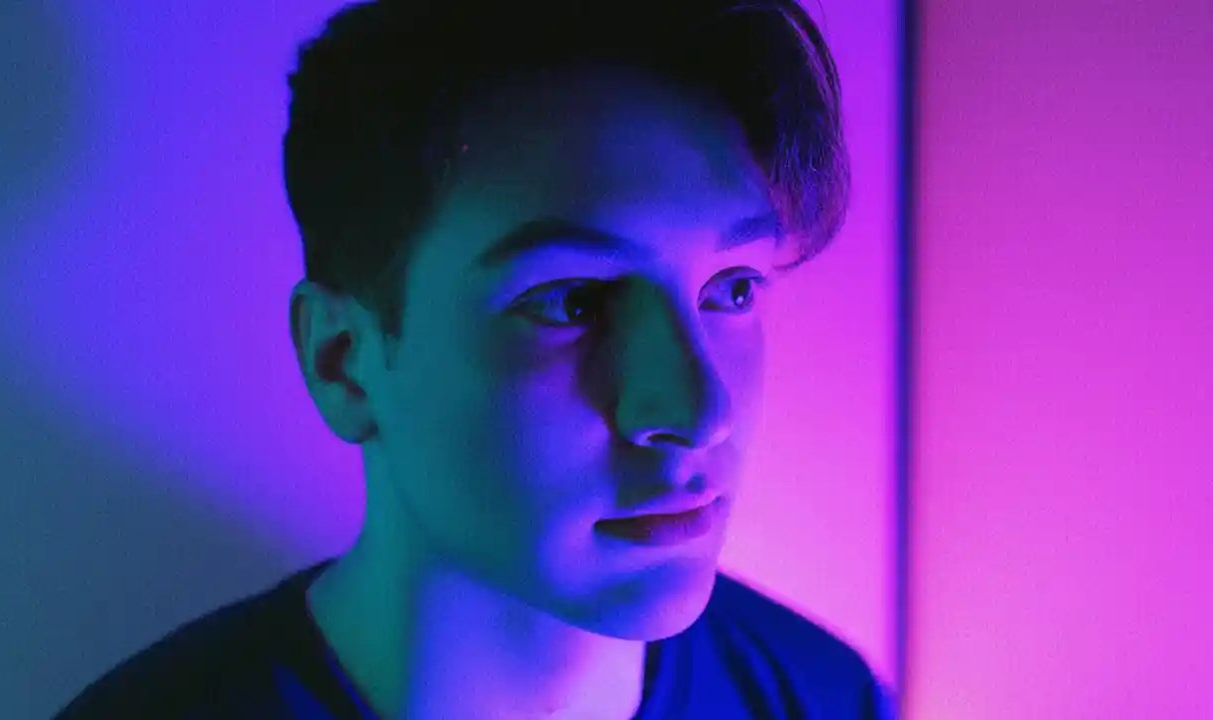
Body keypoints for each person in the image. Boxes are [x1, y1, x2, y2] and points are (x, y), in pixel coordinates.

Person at [55, 0, 892, 717]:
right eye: (573, 301)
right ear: (344, 361)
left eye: (733, 289)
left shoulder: (822, 698)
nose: (697, 411)